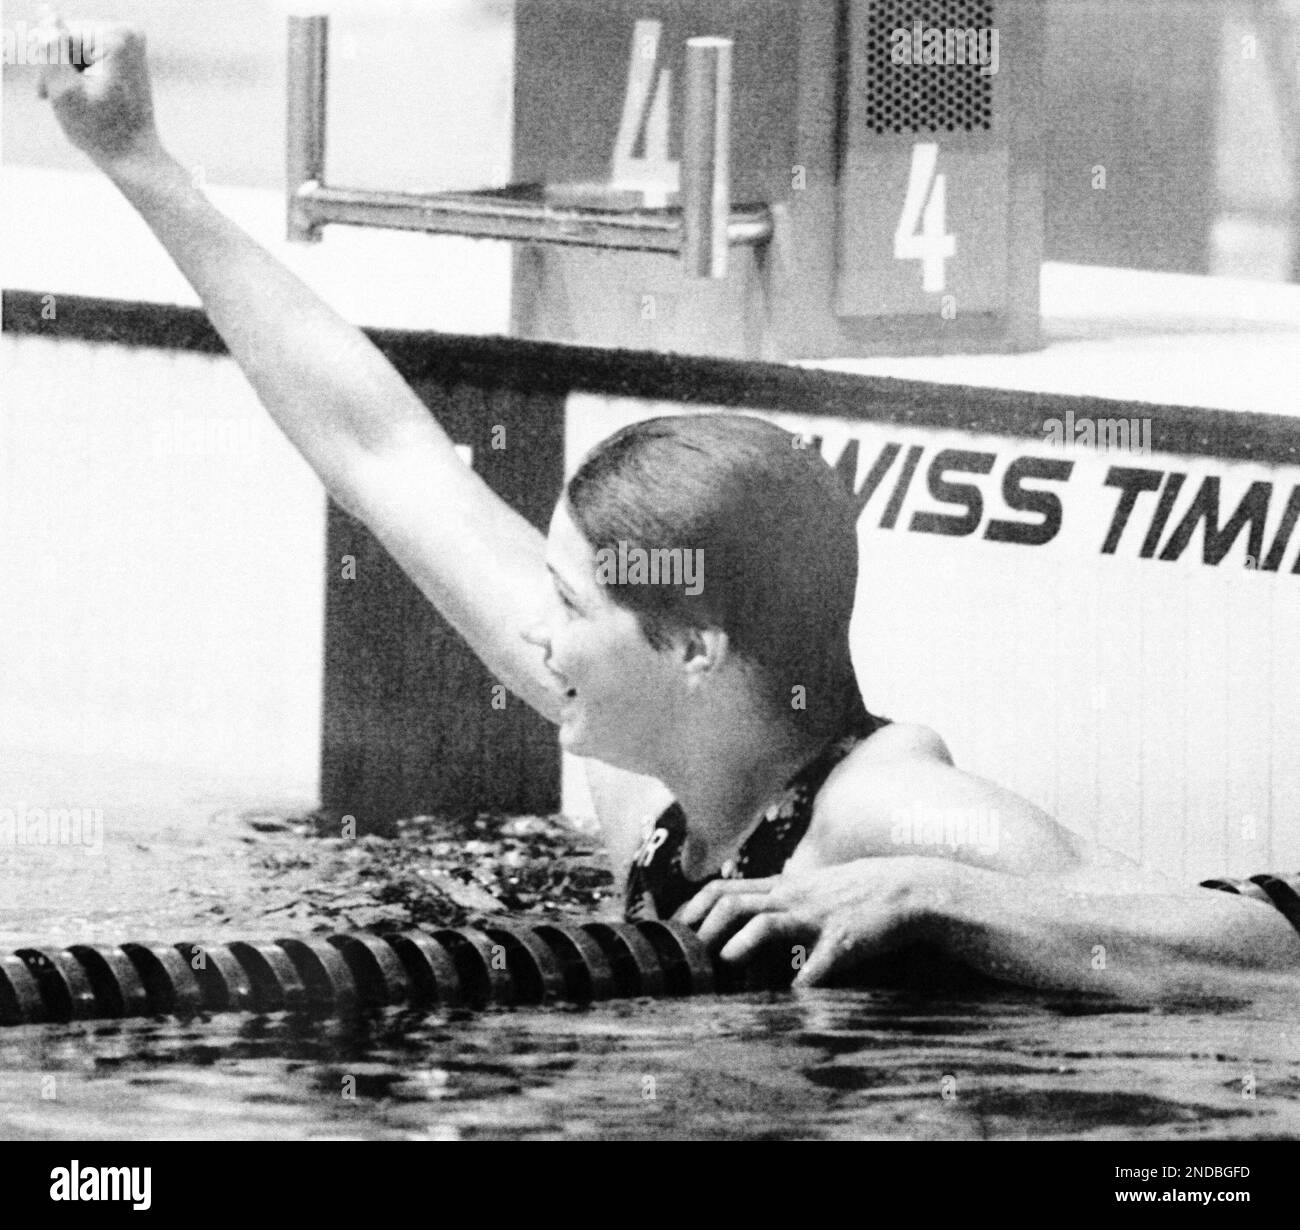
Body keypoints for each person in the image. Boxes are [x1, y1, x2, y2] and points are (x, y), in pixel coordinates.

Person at [35, 20, 1300, 997]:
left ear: (694, 643)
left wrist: (928, 896)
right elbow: (384, 454)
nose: (539, 628)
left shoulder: (890, 813)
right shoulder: (657, 777)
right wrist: (140, 159)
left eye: (571, 601)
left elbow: (1263, 954)